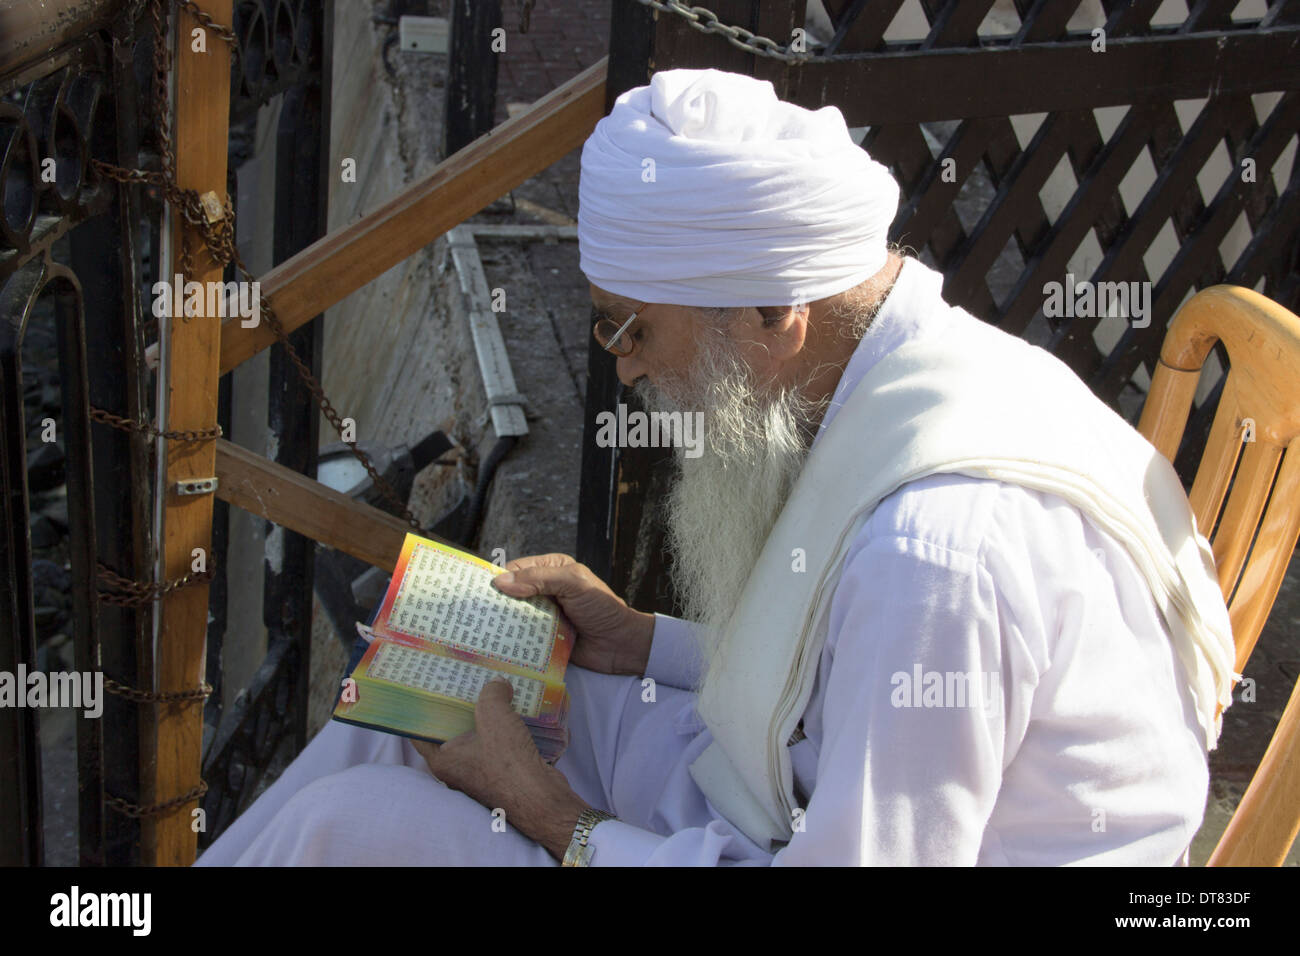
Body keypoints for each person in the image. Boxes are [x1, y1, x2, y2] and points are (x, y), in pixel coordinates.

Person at [195, 68, 1235, 867]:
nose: (628, 365)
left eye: (632, 328)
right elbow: (835, 673)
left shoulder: (939, 557)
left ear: (772, 313)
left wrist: (559, 822)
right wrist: (649, 643)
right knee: (407, 715)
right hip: (778, 793)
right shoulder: (905, 361)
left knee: (349, 825)